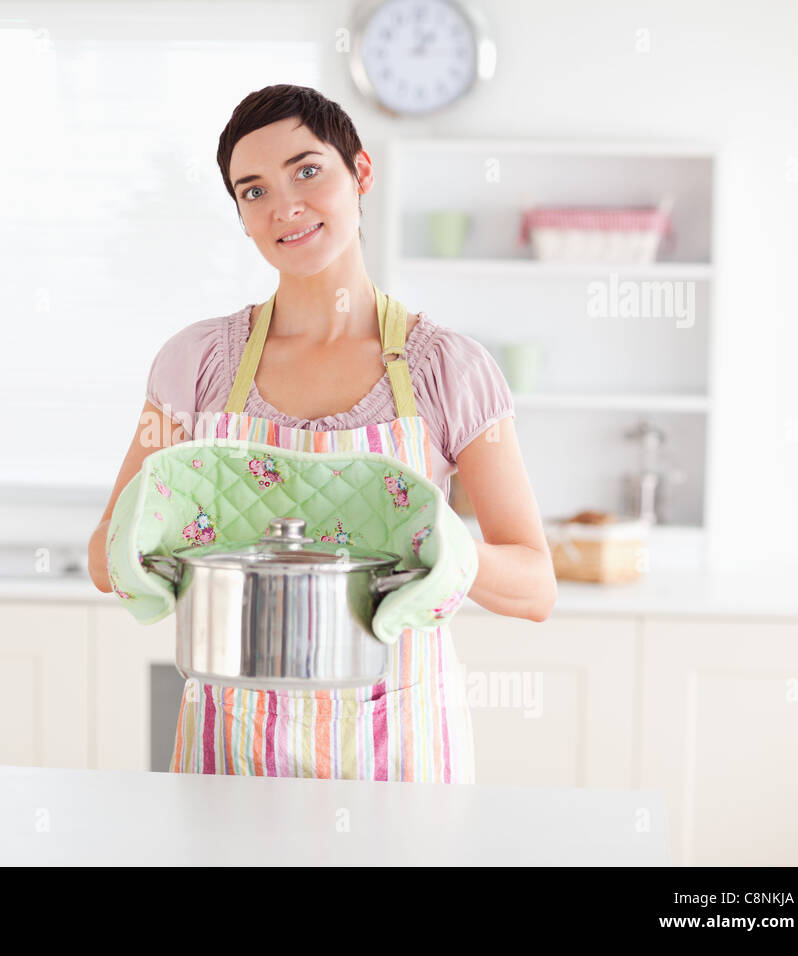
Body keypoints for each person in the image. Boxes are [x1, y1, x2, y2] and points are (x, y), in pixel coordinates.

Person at [87, 84, 556, 782]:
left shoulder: (451, 370)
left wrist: (441, 543)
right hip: (231, 749)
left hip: (399, 748)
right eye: (254, 191)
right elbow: (104, 559)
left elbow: (535, 587)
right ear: (242, 217)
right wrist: (167, 542)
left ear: (360, 173)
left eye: (307, 170)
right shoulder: (195, 365)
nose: (285, 206)